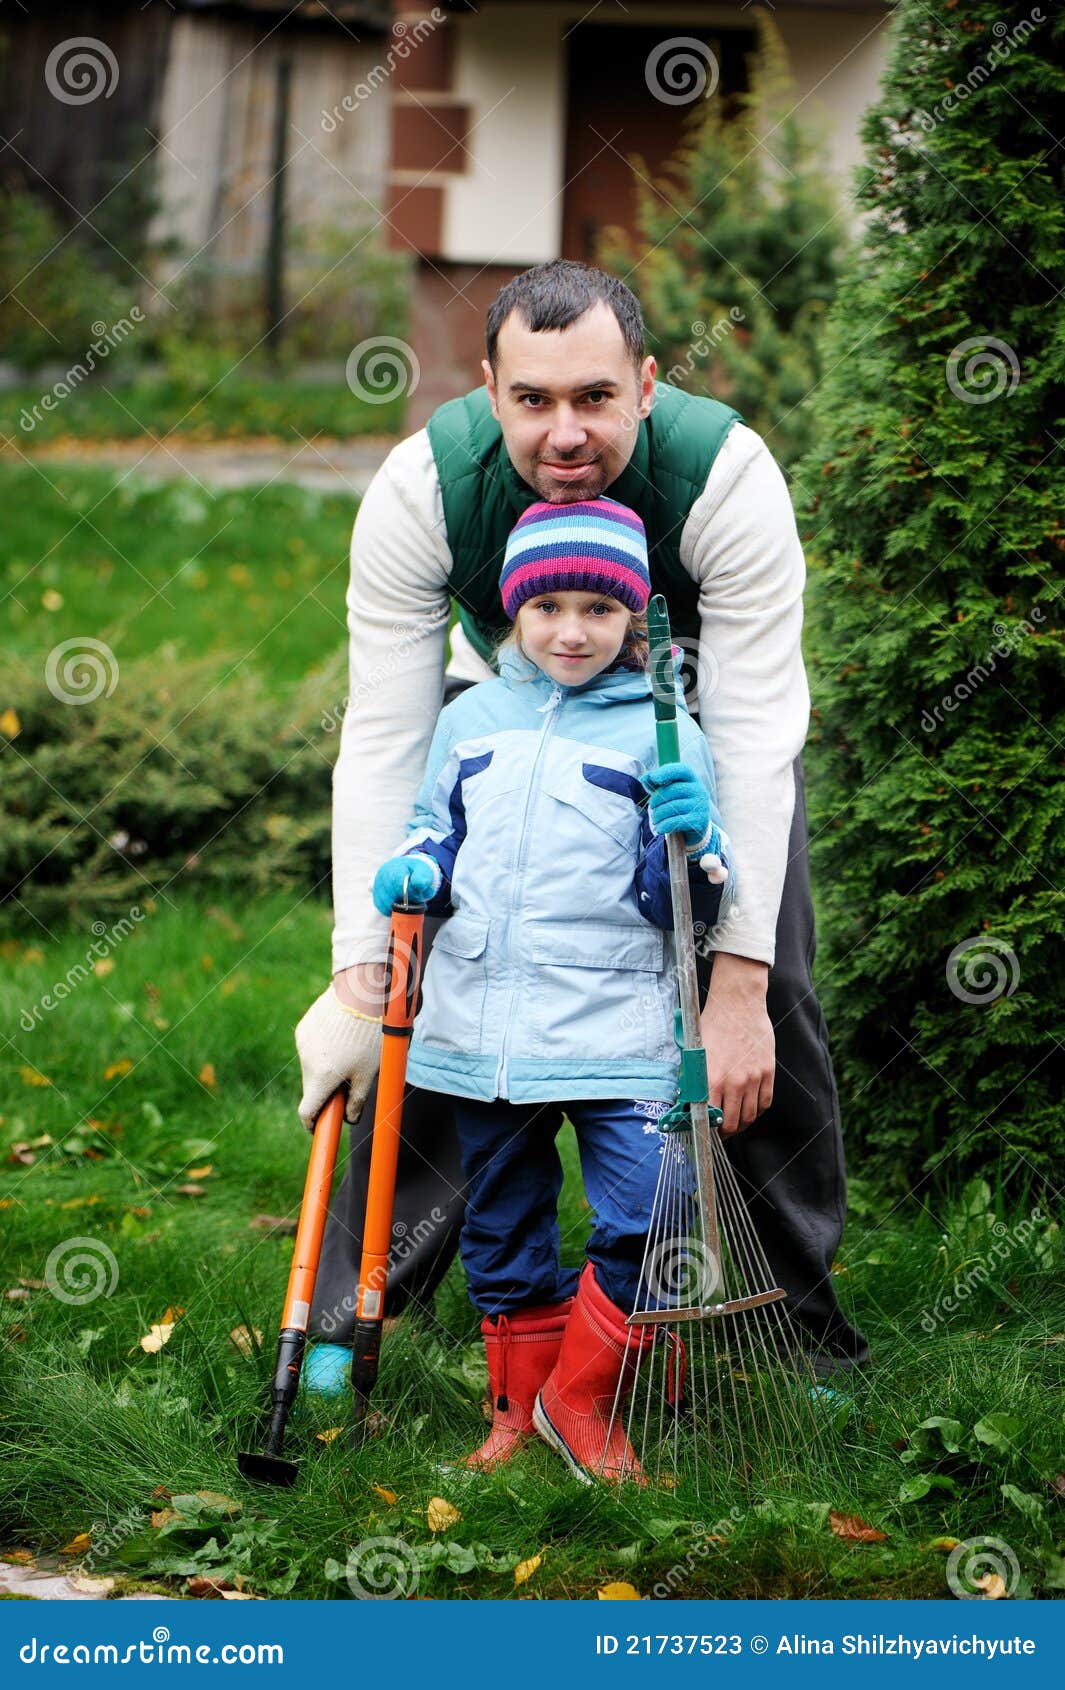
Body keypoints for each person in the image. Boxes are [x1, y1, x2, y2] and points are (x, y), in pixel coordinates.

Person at [294, 259, 868, 1391]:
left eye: (596, 397)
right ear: (489, 388)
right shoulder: (423, 491)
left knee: (774, 993)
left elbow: (755, 735)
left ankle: (787, 1313)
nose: (566, 431)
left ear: (648, 385)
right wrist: (363, 973)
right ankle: (353, 1307)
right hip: (503, 713)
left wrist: (737, 979)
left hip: (689, 727)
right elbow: (386, 736)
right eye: (535, 399)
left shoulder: (725, 476)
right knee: (444, 975)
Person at [369, 496, 731, 1481]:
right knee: (502, 1218)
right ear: (513, 615)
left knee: (655, 1204)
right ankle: (518, 1410)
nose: (572, 630)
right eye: (549, 608)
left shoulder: (665, 733)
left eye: (600, 611)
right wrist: (411, 872)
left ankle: (583, 1396)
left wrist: (693, 841)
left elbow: (687, 909)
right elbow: (430, 831)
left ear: (633, 621)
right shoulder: (472, 719)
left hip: (618, 1029)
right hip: (485, 1029)